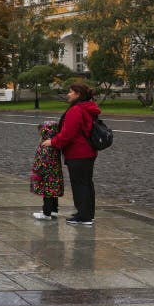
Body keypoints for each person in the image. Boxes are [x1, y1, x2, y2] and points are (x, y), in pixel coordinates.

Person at [41, 83, 100, 226]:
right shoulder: (87, 107)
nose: (68, 94)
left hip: (78, 152)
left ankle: (84, 217)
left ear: (78, 94)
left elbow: (68, 134)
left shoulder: (76, 110)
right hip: (88, 151)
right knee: (86, 183)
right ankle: (87, 214)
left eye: (71, 92)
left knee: (79, 184)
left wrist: (52, 142)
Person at [30, 119, 63, 220]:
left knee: (47, 194)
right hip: (54, 174)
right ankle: (53, 210)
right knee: (53, 193)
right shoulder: (54, 144)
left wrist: (36, 171)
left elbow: (43, 161)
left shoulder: (45, 146)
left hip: (46, 175)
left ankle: (46, 213)